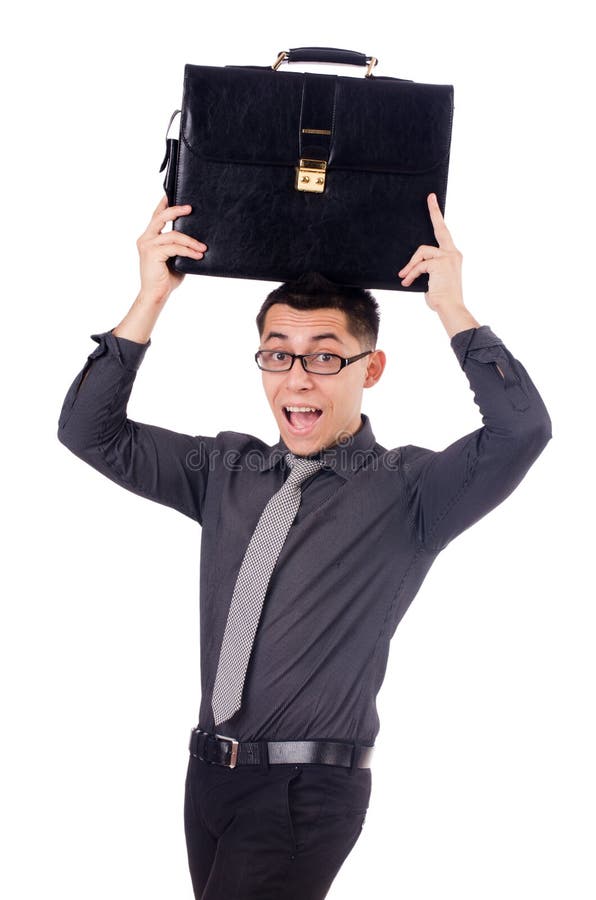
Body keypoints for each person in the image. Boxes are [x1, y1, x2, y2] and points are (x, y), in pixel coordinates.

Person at [57, 192, 552, 899]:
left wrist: (451, 309)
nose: (297, 377)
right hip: (207, 778)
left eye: (325, 357)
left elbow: (520, 432)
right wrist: (150, 300)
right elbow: (88, 433)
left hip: (304, 790)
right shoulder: (226, 471)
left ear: (369, 369)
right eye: (278, 355)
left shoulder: (410, 491)